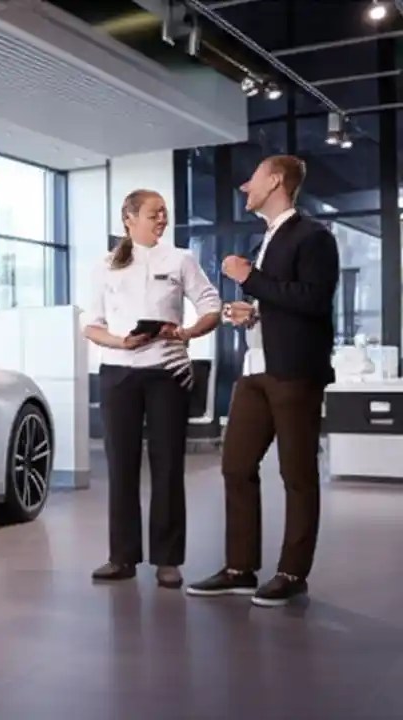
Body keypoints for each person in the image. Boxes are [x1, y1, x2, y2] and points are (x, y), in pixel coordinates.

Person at [186, 155, 339, 608]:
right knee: (235, 466)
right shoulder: (266, 238)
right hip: (255, 370)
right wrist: (251, 312)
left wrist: (249, 278)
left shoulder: (314, 236)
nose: (243, 187)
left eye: (251, 179)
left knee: (297, 474)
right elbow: (282, 299)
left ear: (274, 181)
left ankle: (293, 572)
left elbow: (314, 300)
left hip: (294, 372)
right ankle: (239, 568)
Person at [84, 189, 222, 589]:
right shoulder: (104, 266)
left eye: (165, 213)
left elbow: (211, 304)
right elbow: (91, 325)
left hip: (167, 374)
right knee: (121, 467)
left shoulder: (180, 259)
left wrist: (187, 332)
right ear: (129, 217)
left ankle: (168, 560)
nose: (162, 219)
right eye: (153, 213)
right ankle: (122, 557)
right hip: (119, 374)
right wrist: (121, 342)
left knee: (167, 466)